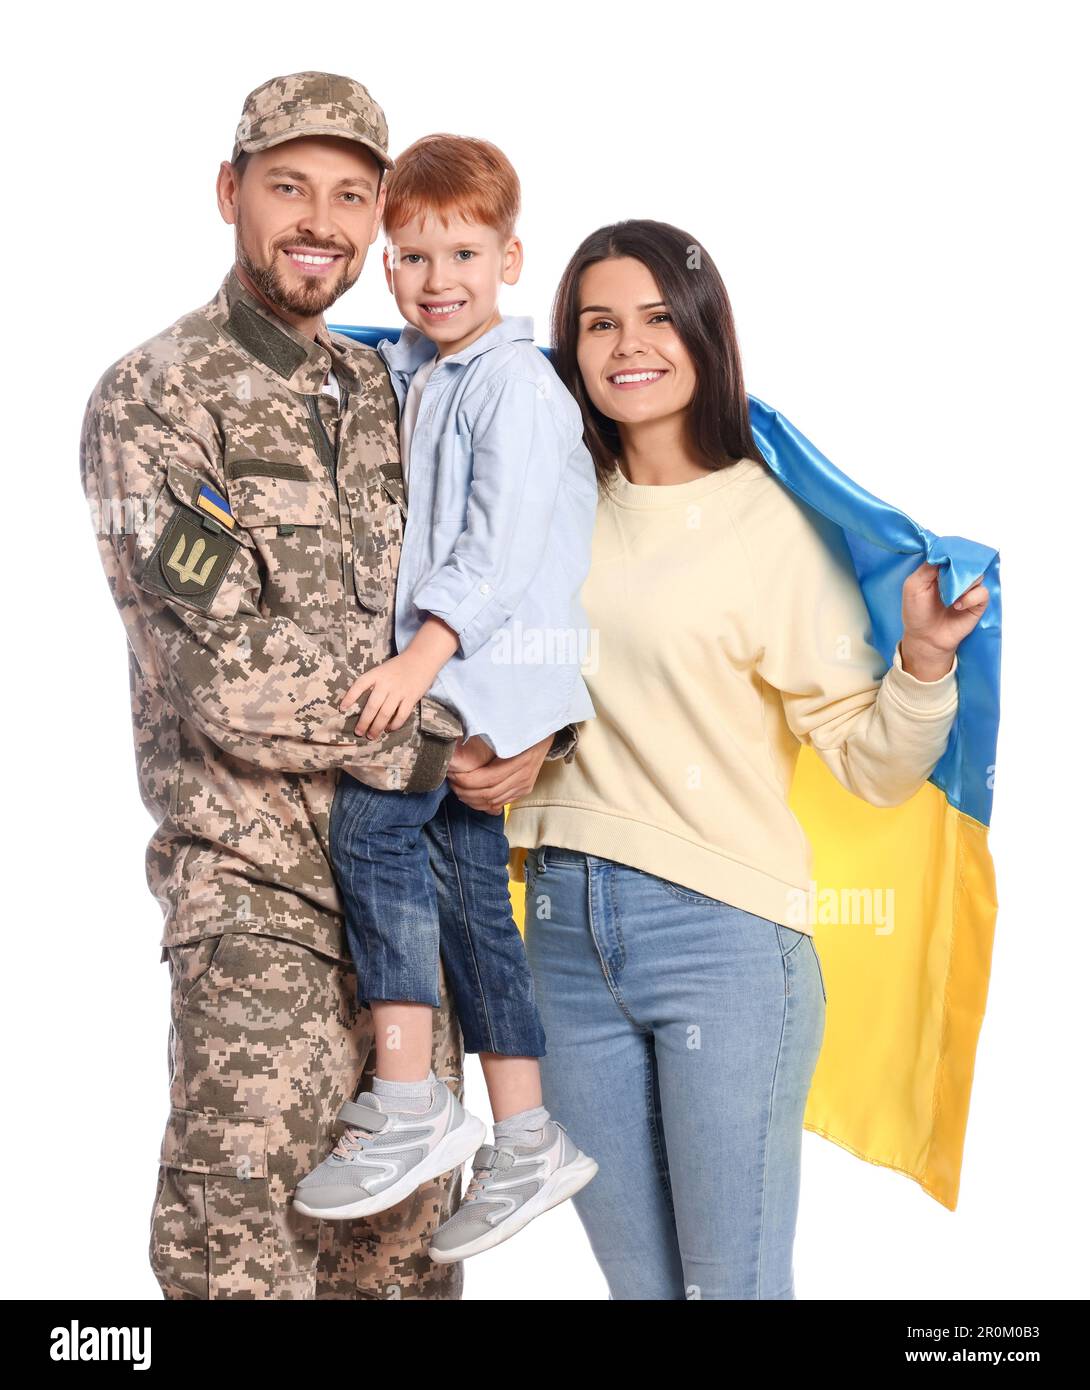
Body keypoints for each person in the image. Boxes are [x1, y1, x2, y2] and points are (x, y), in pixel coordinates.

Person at [449, 219, 989, 1299]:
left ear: (703, 334)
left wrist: (922, 662)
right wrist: (491, 754)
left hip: (721, 941)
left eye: (656, 317)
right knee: (641, 1293)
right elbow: (506, 669)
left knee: (730, 1290)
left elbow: (871, 765)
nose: (626, 344)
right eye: (597, 322)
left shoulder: (766, 522)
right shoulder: (541, 503)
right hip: (554, 933)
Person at [79, 71, 477, 1301]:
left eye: (352, 195)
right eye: (288, 185)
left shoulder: (389, 393)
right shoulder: (156, 398)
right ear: (228, 194)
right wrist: (443, 743)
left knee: (407, 1261)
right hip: (256, 899)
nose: (320, 219)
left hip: (408, 902)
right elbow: (219, 673)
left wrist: (532, 724)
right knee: (241, 1255)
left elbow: (482, 580)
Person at [293, 135, 600, 1263]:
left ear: (512, 256)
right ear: (387, 269)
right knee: (473, 895)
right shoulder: (430, 374)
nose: (438, 280)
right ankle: (525, 1132)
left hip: (483, 660)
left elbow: (498, 546)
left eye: (464, 253)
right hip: (477, 663)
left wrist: (420, 659)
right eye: (413, 257)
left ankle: (411, 1094)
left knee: (372, 824)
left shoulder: (516, 383)